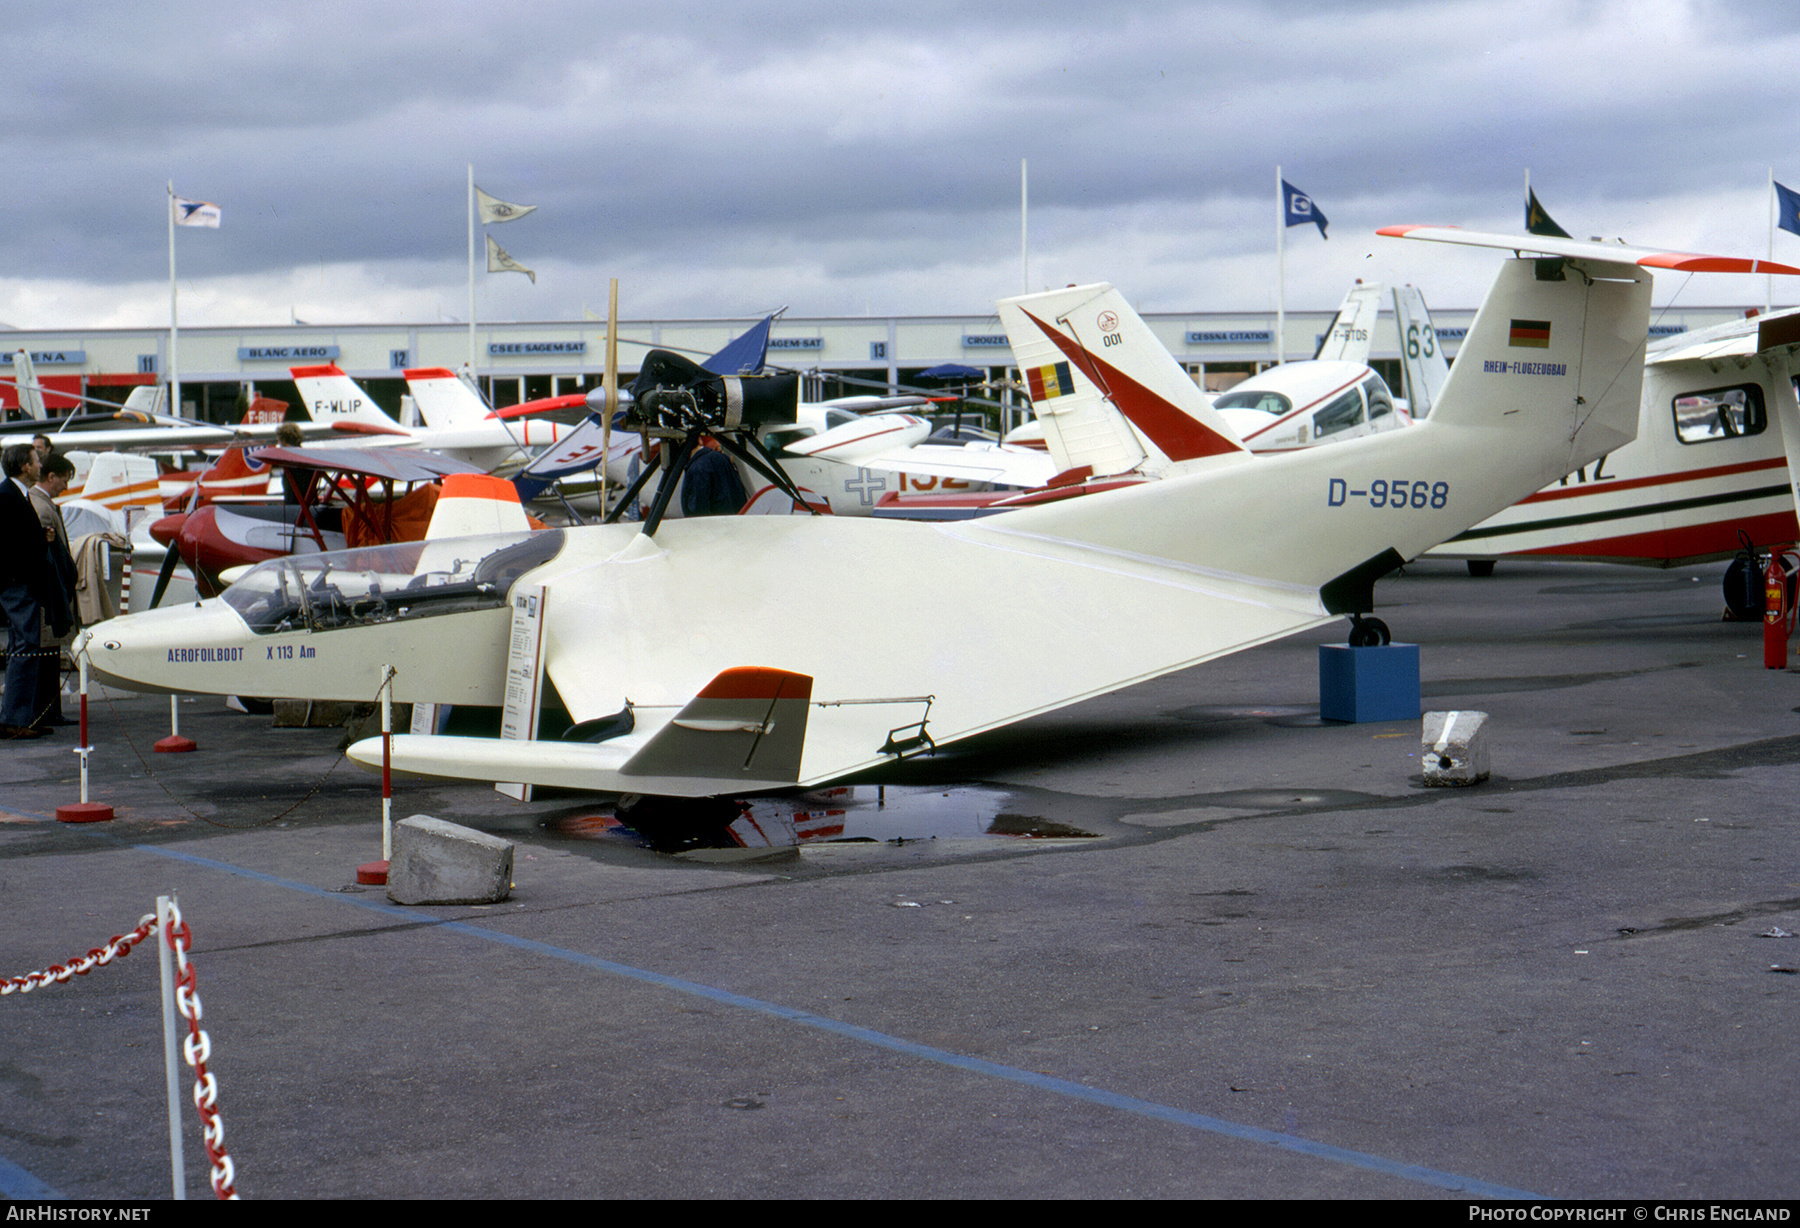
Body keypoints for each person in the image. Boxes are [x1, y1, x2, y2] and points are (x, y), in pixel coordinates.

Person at [0, 443, 59, 738]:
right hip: (17, 584)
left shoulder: (13, 495)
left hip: (17, 583)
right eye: (36, 461)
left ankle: (20, 716)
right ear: (25, 466)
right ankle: (15, 719)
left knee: (21, 646)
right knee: (26, 646)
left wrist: (39, 536)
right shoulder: (8, 497)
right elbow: (9, 544)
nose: (39, 466)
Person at [28, 452, 78, 726]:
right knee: (47, 651)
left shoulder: (40, 503)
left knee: (49, 652)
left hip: (48, 589)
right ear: (51, 477)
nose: (66, 487)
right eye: (64, 480)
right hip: (48, 590)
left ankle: (50, 709)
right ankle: (48, 711)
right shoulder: (43, 507)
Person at [679, 434, 747, 517]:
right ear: (700, 441)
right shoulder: (723, 458)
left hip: (714, 526)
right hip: (735, 521)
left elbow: (698, 509)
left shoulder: (697, 468)